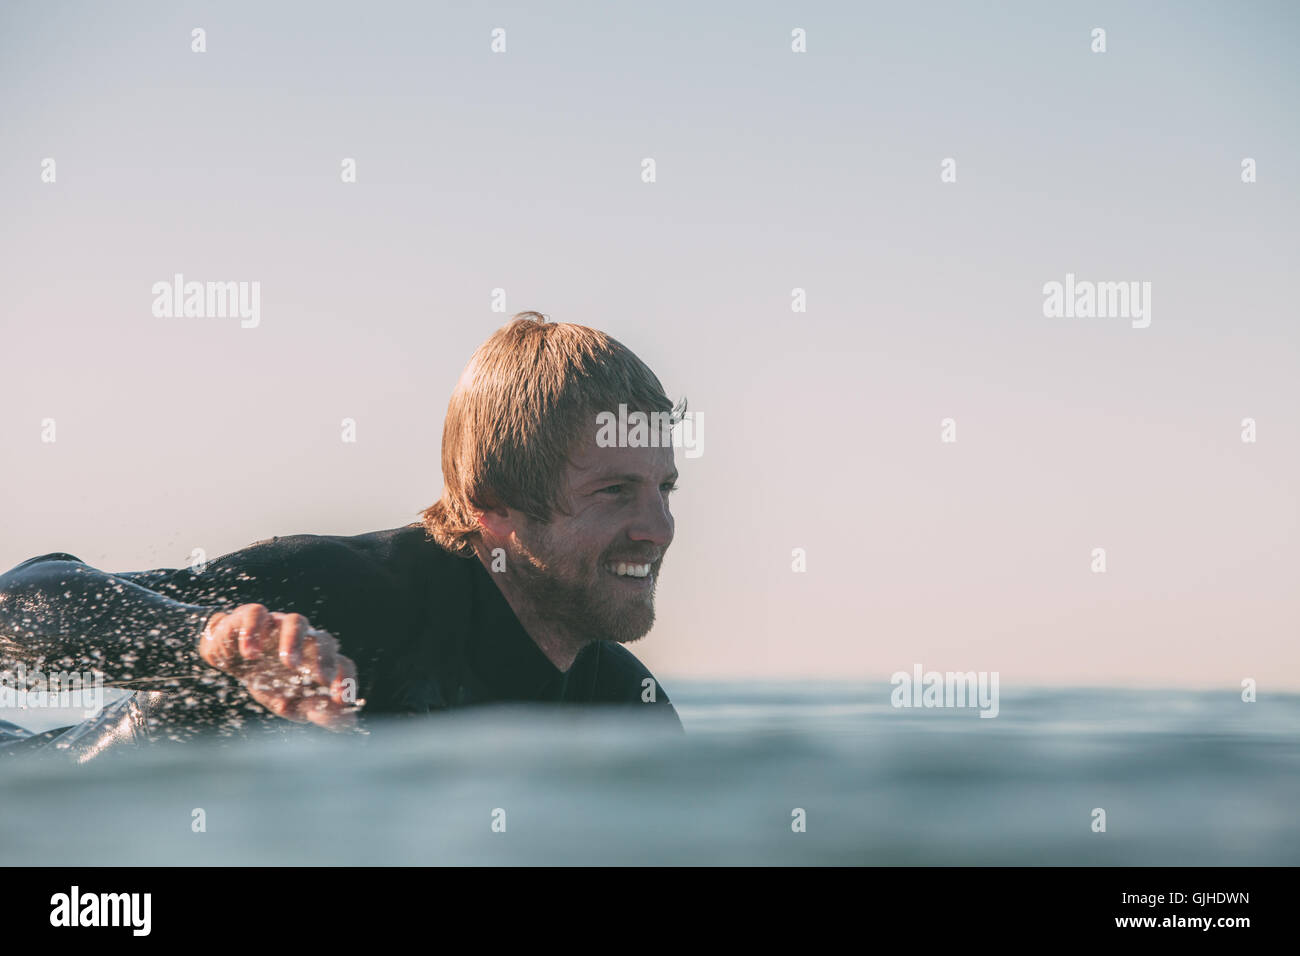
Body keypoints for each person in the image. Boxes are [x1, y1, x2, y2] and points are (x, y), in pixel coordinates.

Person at [0, 313, 684, 740]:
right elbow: (15, 607)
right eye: (616, 492)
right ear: (495, 502)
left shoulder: (627, 709)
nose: (659, 528)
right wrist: (208, 641)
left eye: (665, 489)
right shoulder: (346, 594)